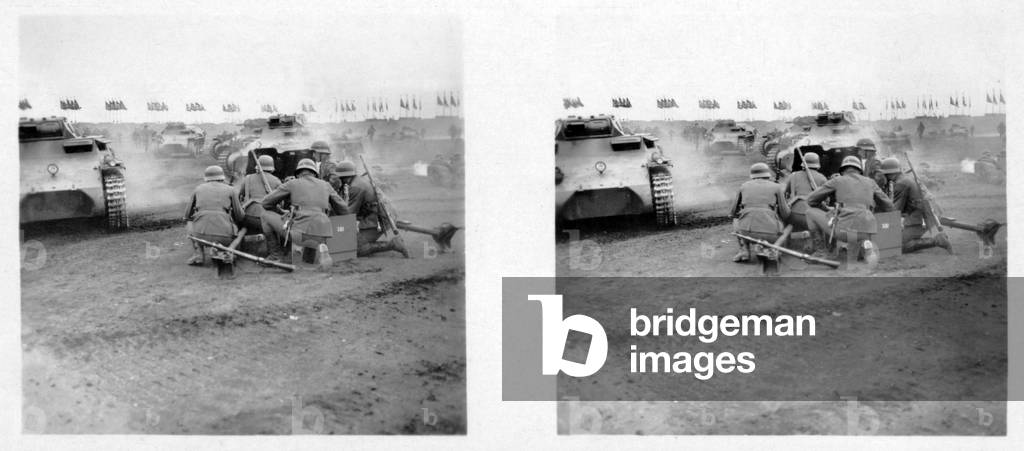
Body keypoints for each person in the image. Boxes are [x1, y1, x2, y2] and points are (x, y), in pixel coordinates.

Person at [260, 159, 350, 267]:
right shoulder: (326, 185)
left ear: (298, 173)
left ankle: (275, 256)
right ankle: (318, 248)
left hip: (301, 233)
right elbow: (344, 210)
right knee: (312, 224)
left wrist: (280, 211)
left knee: (265, 216)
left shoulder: (292, 183)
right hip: (324, 233)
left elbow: (265, 203)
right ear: (315, 173)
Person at [805, 156, 895, 262]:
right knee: (859, 228)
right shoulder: (870, 182)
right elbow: (889, 206)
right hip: (869, 229)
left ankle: (820, 252)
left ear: (843, 170)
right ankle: (865, 244)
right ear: (859, 170)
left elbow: (810, 200)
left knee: (809, 213)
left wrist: (825, 208)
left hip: (845, 230)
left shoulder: (837, 180)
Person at [329, 161, 410, 257]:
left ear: (344, 178)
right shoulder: (357, 181)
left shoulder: (356, 187)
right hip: (375, 216)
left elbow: (349, 214)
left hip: (377, 220)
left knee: (357, 248)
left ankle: (393, 244)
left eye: (340, 178)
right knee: (347, 238)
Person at [877, 157, 952, 254]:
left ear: (890, 174)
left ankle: (937, 241)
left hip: (916, 221)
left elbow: (894, 210)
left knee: (897, 246)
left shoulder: (901, 184)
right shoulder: (905, 179)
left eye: (884, 174)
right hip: (920, 217)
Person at [184, 166, 245, 266]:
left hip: (200, 236)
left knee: (189, 221)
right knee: (240, 225)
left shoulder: (198, 189)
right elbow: (240, 216)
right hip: (225, 237)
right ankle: (229, 249)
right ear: (222, 177)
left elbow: (187, 215)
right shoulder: (231, 189)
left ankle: (198, 253)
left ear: (206, 178)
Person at [731, 163, 790, 263]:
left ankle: (744, 250)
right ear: (767, 175)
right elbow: (785, 213)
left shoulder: (743, 186)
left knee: (736, 219)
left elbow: (733, 212)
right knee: (783, 222)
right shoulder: (777, 187)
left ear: (752, 175)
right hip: (770, 234)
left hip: (745, 233)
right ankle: (772, 248)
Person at [782, 153, 828, 249]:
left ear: (803, 164)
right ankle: (817, 242)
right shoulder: (822, 178)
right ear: (817, 165)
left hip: (794, 215)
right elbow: (826, 200)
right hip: (813, 216)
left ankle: (790, 240)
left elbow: (784, 194)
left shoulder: (793, 176)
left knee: (783, 217)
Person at [236, 155, 283, 232]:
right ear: (271, 168)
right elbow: (281, 203)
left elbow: (240, 195)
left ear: (257, 167)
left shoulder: (248, 178)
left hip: (250, 217)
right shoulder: (277, 181)